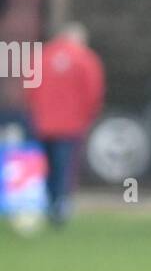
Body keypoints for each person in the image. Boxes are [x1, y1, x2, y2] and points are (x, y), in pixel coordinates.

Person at [27, 22, 105, 224]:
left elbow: (30, 89)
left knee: (48, 166)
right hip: (71, 125)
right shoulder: (86, 59)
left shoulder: (42, 56)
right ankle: (61, 206)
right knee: (65, 167)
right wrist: (88, 117)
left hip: (44, 123)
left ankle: (49, 202)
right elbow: (93, 92)